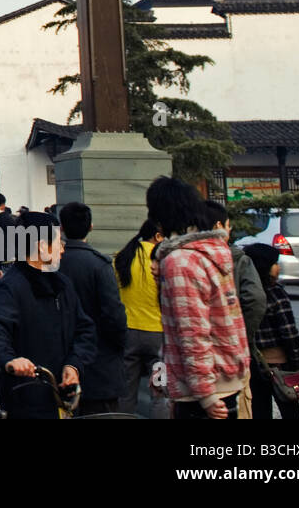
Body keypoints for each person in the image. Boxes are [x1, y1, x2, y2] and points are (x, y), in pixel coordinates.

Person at [0, 211, 95, 419]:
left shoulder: (62, 284)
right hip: (27, 399)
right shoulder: (13, 287)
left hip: (63, 398)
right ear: (42, 246)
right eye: (59, 242)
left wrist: (74, 365)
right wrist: (10, 361)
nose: (63, 249)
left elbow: (85, 329)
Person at [149, 177, 248, 420]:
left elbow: (192, 331)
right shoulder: (210, 253)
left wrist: (205, 393)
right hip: (222, 376)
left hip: (202, 391)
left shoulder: (180, 262)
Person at [56, 202, 128, 414]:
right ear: (91, 227)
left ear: (62, 227)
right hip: (100, 363)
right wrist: (120, 344)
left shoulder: (54, 264)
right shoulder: (99, 265)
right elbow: (113, 315)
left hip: (61, 359)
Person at [205, 200, 267, 420]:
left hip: (197, 365)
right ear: (219, 226)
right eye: (229, 225)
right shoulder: (237, 259)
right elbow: (255, 300)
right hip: (232, 358)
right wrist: (242, 338)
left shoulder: (181, 260)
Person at [243, 243, 299, 420]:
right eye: (275, 263)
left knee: (260, 411)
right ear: (264, 266)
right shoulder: (275, 293)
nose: (278, 267)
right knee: (291, 411)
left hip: (253, 364)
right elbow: (289, 333)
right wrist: (297, 362)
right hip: (280, 365)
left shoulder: (245, 292)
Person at [114, 219, 167, 418]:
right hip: (158, 338)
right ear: (158, 236)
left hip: (128, 334)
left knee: (126, 393)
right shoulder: (162, 260)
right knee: (160, 391)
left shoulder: (121, 258)